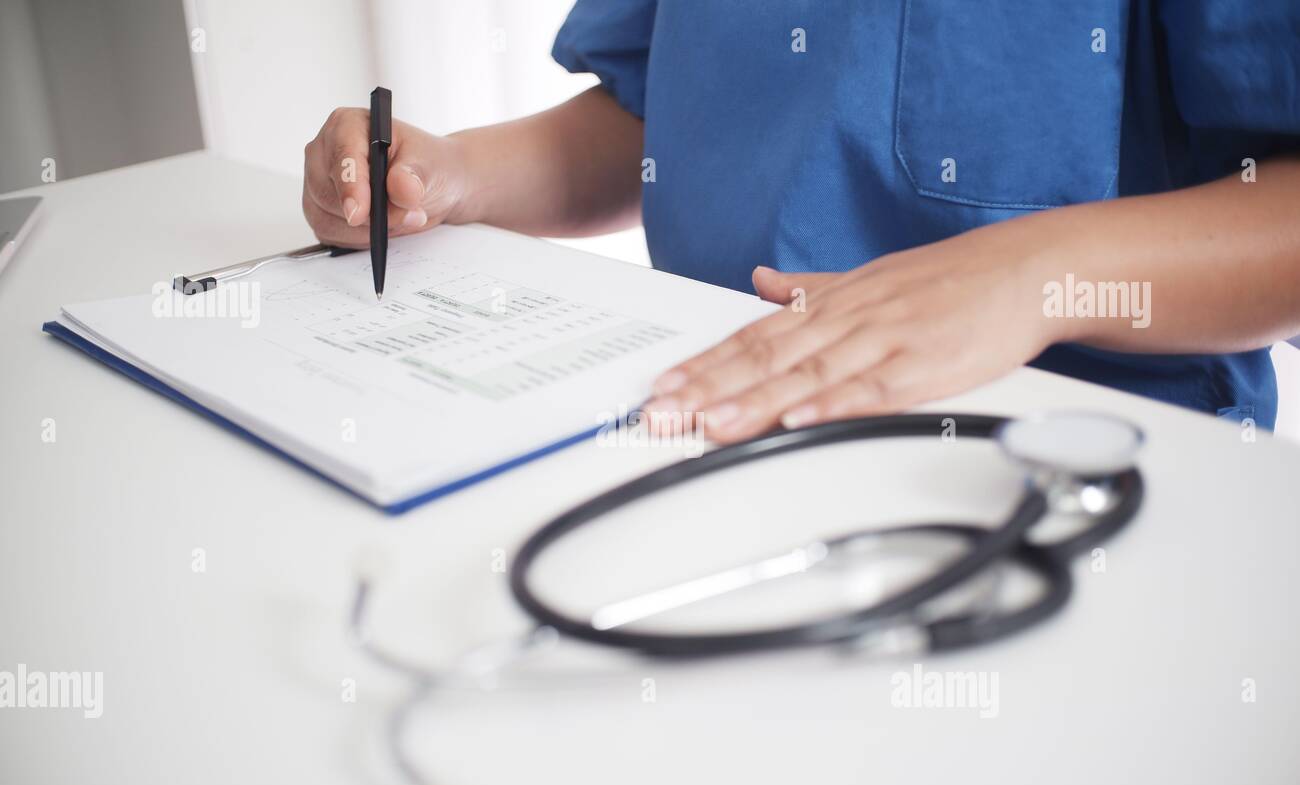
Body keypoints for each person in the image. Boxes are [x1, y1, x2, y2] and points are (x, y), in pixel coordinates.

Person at [303, 0, 1300, 442]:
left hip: (1073, 455)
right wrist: (456, 176)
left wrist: (1032, 276)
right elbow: (664, 116)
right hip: (711, 411)